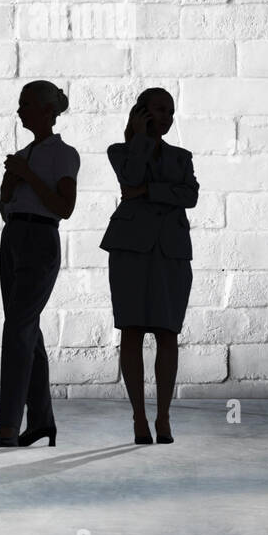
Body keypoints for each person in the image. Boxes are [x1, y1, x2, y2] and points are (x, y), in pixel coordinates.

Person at [101, 87, 198, 445]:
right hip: (129, 251)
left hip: (171, 252)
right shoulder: (121, 151)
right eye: (159, 110)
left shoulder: (182, 156)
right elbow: (129, 179)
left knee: (168, 333)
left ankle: (164, 417)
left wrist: (147, 192)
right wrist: (138, 139)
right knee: (132, 331)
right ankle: (139, 417)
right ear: (142, 112)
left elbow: (191, 195)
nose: (168, 117)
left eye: (171, 111)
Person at [0, 81, 79, 448]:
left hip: (41, 239)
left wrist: (25, 176)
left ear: (48, 111)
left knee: (17, 330)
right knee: (27, 331)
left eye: (26, 104)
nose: (19, 110)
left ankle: (9, 426)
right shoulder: (24, 152)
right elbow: (4, 207)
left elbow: (64, 208)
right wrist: (11, 181)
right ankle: (42, 420)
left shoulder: (64, 154)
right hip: (13, 237)